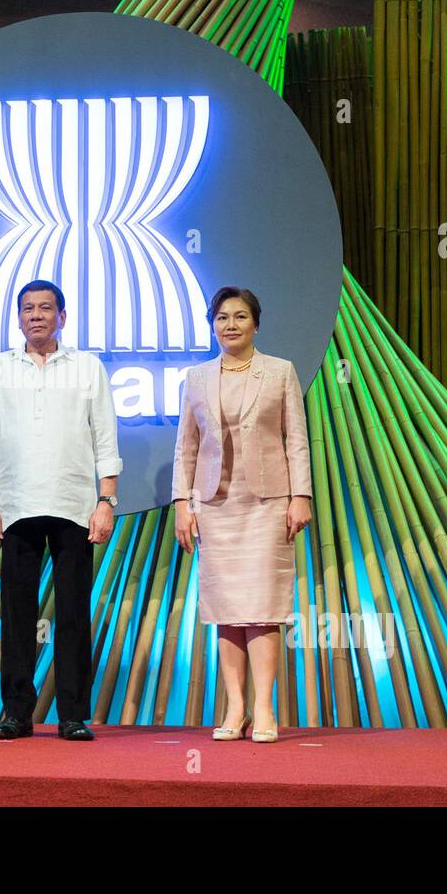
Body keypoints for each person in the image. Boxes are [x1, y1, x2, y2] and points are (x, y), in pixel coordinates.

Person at [0, 280, 122, 741]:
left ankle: (73, 714)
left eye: (46, 308)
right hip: (14, 506)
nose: (37, 315)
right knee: (16, 614)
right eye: (28, 309)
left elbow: (105, 439)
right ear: (19, 318)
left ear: (62, 316)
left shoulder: (88, 368)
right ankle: (16, 713)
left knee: (74, 612)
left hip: (76, 506)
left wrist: (106, 501)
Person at [171, 286, 312, 743]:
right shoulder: (195, 377)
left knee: (263, 609)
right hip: (215, 505)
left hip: (268, 503)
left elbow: (296, 439)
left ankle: (265, 708)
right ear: (213, 324)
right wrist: (181, 505)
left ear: (256, 322)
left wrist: (301, 496)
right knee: (227, 611)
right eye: (222, 318)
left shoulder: (280, 372)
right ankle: (234, 708)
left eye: (240, 316)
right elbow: (186, 448)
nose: (230, 325)